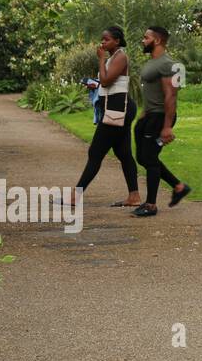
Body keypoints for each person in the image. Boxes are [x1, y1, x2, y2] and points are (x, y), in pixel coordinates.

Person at [70, 27, 141, 208]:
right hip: (116, 109)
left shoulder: (120, 57)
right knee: (123, 153)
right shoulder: (113, 58)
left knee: (95, 152)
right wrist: (96, 85)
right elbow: (106, 82)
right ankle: (134, 196)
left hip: (118, 111)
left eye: (106, 39)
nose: (102, 43)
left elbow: (108, 80)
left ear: (117, 41)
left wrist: (101, 60)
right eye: (102, 39)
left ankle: (75, 196)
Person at [131, 25, 191, 218]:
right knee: (142, 157)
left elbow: (170, 96)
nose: (143, 40)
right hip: (149, 115)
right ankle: (179, 187)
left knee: (149, 159)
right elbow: (152, 91)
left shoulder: (168, 64)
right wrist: (144, 113)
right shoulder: (152, 63)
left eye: (146, 37)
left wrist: (166, 126)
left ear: (156, 40)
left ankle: (151, 205)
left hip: (160, 117)